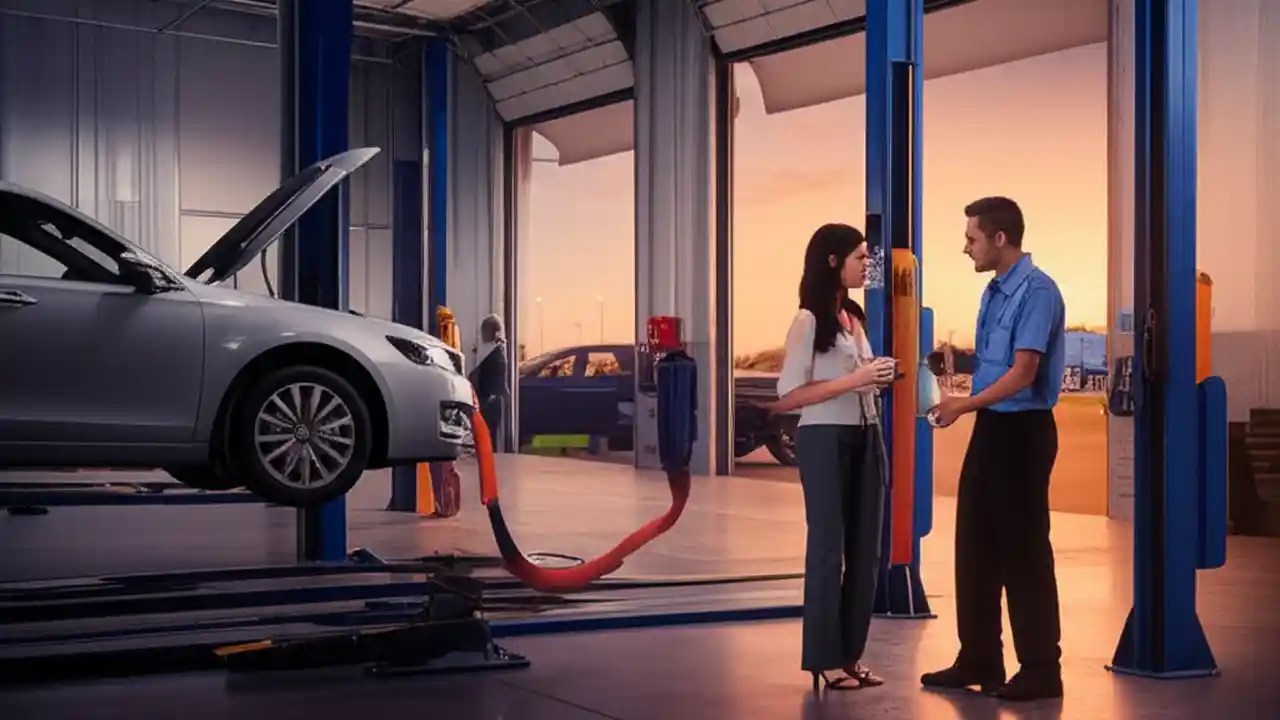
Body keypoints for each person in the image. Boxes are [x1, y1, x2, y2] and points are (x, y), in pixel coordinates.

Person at [922, 196, 1067, 702]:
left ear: (999, 238)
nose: (966, 248)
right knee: (975, 546)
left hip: (1024, 433)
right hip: (991, 428)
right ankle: (979, 656)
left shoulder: (1038, 291)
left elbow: (1024, 373)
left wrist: (963, 405)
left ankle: (1041, 670)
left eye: (971, 239)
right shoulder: (992, 292)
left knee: (1024, 552)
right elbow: (989, 363)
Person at [765, 223, 898, 691]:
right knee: (828, 548)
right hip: (824, 438)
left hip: (868, 434)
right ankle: (823, 657)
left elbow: (857, 377)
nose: (867, 265)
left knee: (867, 549)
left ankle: (850, 656)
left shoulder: (855, 317)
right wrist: (855, 381)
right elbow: (790, 393)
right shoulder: (807, 321)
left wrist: (873, 378)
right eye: (860, 257)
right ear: (832, 262)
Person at [470, 314, 512, 453]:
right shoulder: (497, 350)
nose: (482, 334)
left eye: (484, 330)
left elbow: (487, 376)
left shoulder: (495, 354)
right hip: (493, 399)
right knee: (490, 437)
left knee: (488, 437)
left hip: (491, 400)